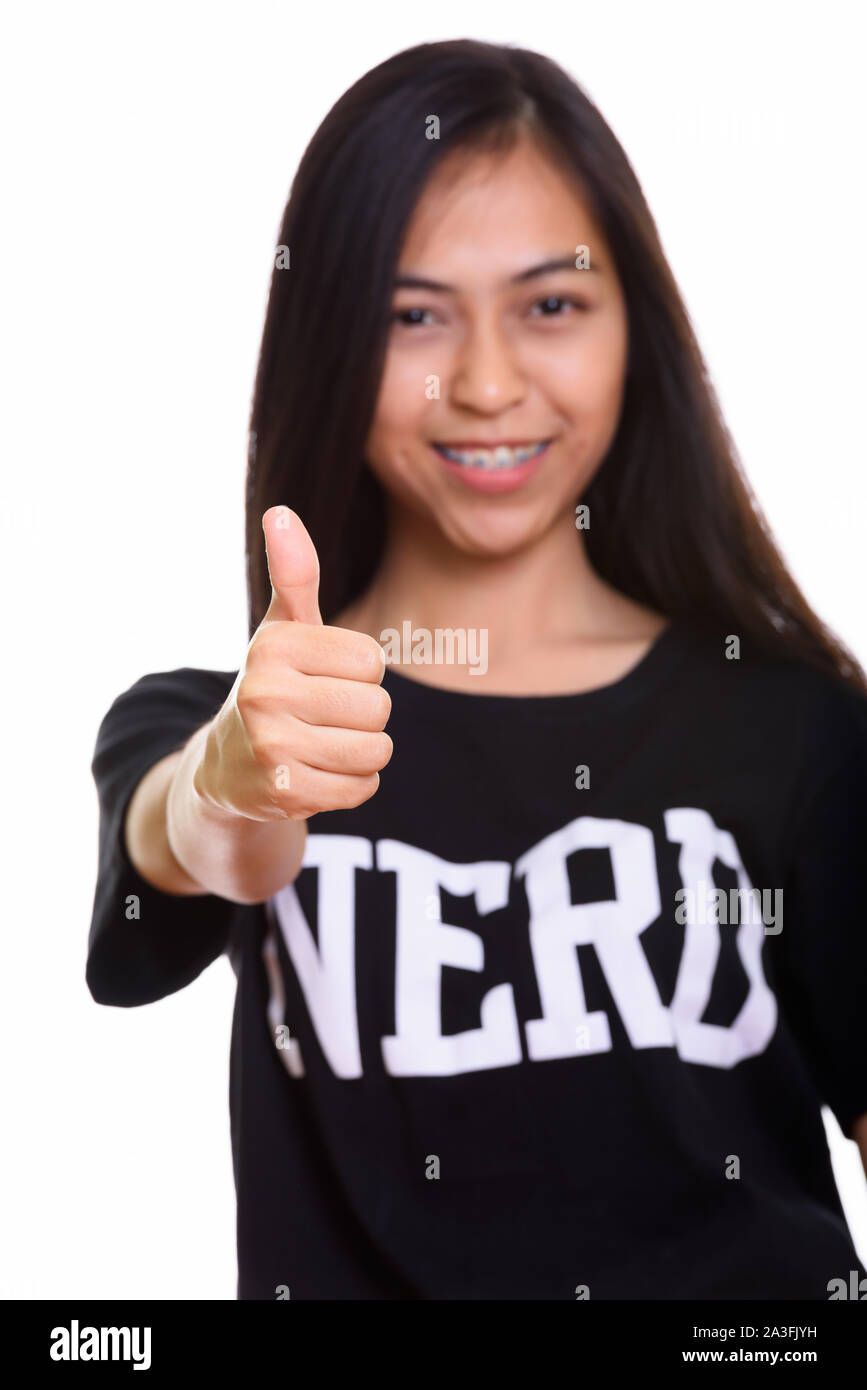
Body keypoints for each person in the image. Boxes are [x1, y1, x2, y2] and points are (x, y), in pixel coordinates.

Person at [87, 38, 867, 1300]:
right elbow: (201, 843)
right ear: (330, 333)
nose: (490, 384)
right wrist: (232, 779)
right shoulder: (223, 724)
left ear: (637, 326)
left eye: (550, 304)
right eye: (413, 315)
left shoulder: (800, 729)